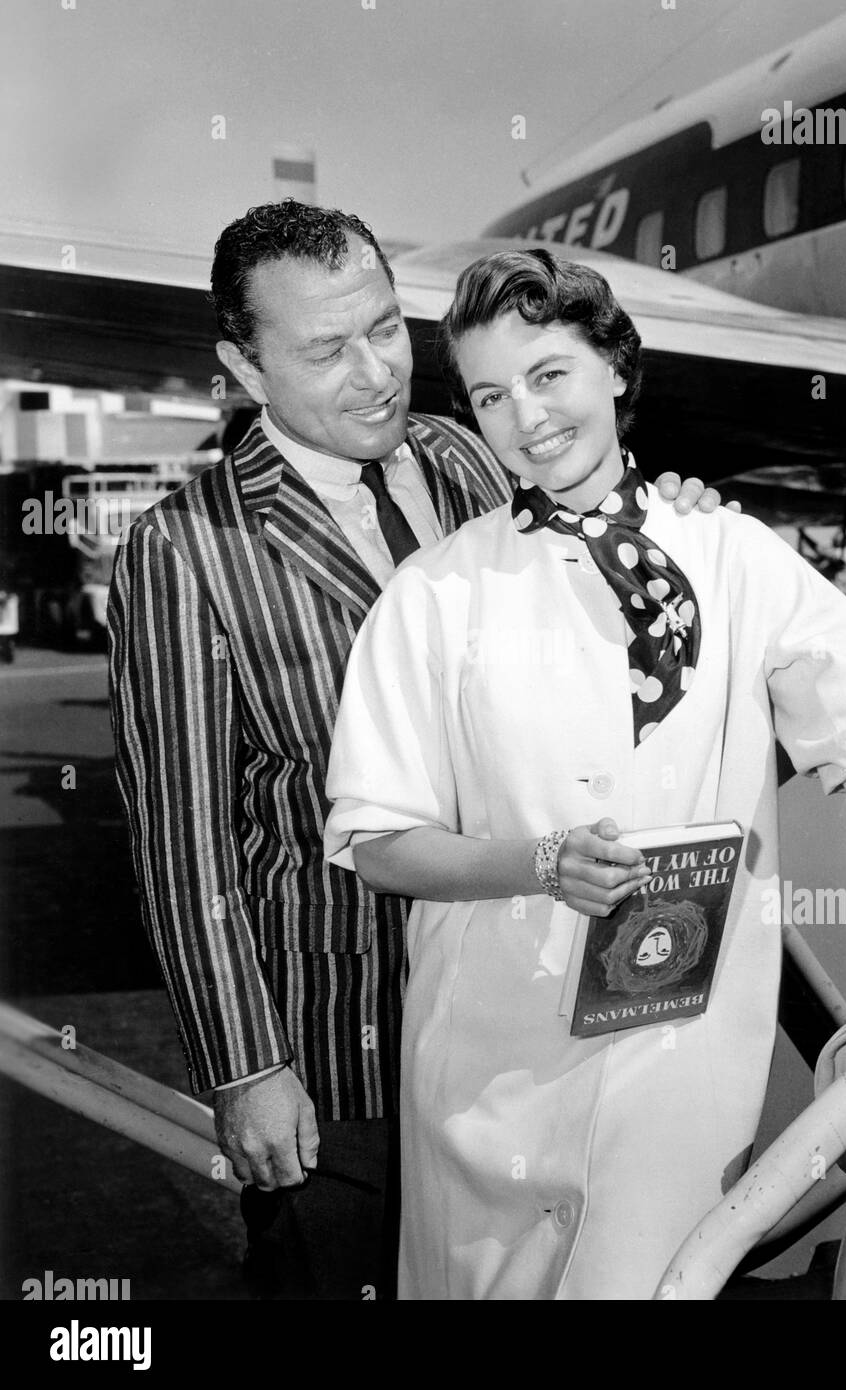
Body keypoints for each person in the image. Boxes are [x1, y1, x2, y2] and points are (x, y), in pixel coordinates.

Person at [323, 247, 846, 1300]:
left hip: (680, 1051)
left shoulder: (732, 556)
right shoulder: (431, 597)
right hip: (488, 1065)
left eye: (548, 373)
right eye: (488, 394)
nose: (523, 417)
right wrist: (542, 862)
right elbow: (377, 840)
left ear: (614, 366)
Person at [106, 202, 727, 1299]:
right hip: (343, 1051)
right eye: (324, 350)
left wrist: (668, 514)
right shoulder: (185, 550)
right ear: (241, 367)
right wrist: (248, 1068)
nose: (374, 373)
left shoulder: (466, 456)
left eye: (386, 329)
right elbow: (183, 846)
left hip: (526, 1011)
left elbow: (594, 564)